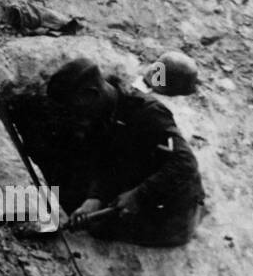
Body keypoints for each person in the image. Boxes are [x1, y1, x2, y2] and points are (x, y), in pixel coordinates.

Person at [50, 58, 205, 247]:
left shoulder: (149, 113)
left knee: (98, 228)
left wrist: (138, 195)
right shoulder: (107, 108)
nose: (76, 117)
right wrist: (94, 198)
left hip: (174, 210)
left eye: (76, 109)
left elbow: (185, 163)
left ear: (91, 94)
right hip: (145, 175)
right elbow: (108, 157)